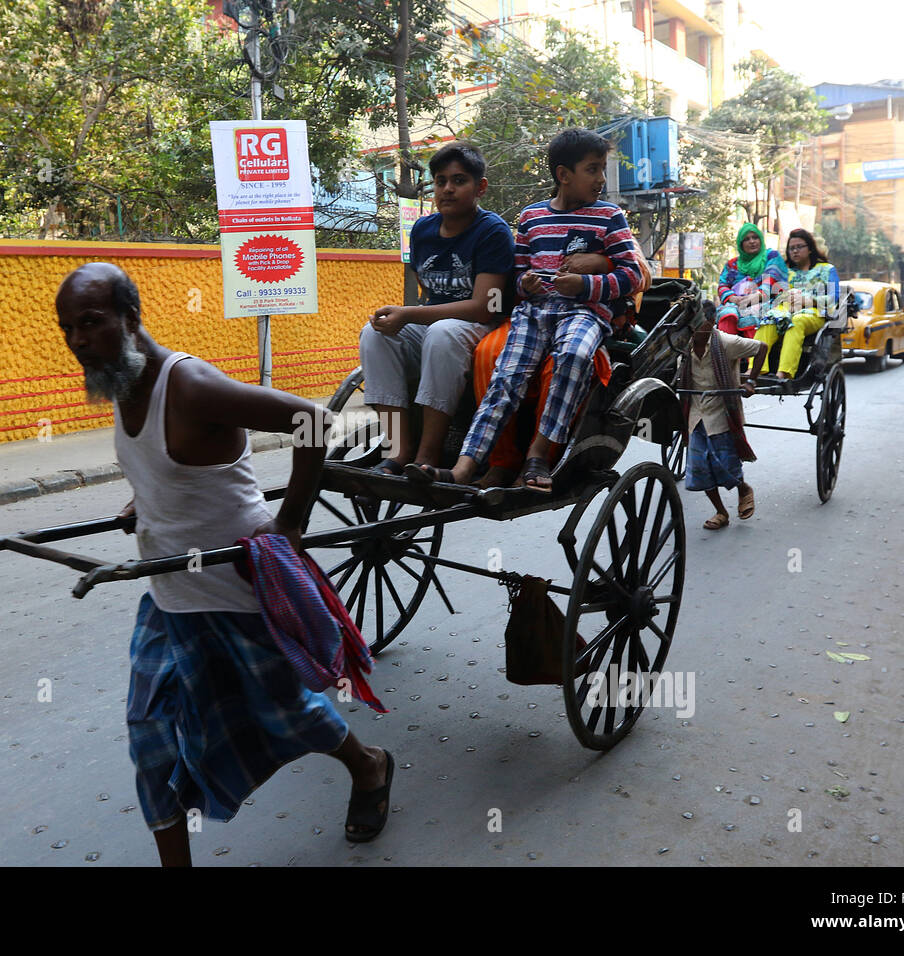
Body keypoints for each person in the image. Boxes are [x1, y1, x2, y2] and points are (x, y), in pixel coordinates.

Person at [55, 262, 394, 866]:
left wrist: (289, 524)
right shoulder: (123, 382)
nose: (78, 340)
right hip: (168, 599)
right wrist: (144, 497)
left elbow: (312, 421)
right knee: (151, 739)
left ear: (131, 320)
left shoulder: (188, 386)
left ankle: (369, 766)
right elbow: (170, 464)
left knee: (290, 716)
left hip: (236, 591)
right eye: (68, 328)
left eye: (91, 323)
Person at [408, 128, 644, 492]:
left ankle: (539, 452)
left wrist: (585, 286)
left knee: (574, 355)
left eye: (601, 169)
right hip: (534, 313)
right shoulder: (532, 218)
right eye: (593, 169)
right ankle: (464, 467)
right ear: (564, 175)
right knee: (506, 375)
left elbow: (632, 274)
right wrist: (527, 283)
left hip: (585, 313)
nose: (600, 179)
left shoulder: (609, 216)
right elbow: (517, 275)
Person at [360, 143, 513, 474]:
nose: (447, 189)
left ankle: (426, 456)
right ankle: (398, 451)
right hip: (439, 324)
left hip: (484, 326)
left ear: (480, 187)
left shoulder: (492, 231)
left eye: (459, 180)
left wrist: (409, 314)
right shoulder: (422, 230)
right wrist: (406, 317)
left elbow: (484, 308)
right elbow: (429, 294)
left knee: (442, 334)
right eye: (440, 180)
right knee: (374, 334)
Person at [468, 248, 651, 488]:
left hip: (586, 322)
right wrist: (526, 282)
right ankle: (500, 461)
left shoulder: (608, 224)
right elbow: (517, 272)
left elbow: (642, 274)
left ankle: (541, 460)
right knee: (487, 353)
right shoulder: (541, 219)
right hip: (533, 319)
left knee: (560, 365)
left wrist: (601, 261)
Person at [679, 317, 768, 530]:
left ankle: (743, 488)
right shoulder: (683, 346)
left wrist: (751, 381)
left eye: (699, 323)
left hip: (721, 412)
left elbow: (761, 348)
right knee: (700, 470)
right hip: (695, 414)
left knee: (725, 464)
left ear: (710, 323)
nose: (695, 327)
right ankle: (721, 511)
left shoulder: (726, 342)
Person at [764, 228, 839, 380]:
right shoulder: (786, 272)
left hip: (814, 314)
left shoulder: (826, 269)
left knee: (796, 322)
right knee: (768, 320)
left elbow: (833, 298)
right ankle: (757, 369)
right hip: (786, 311)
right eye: (791, 248)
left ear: (810, 248)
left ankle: (784, 372)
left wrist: (808, 301)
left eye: (799, 247)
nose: (795, 251)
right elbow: (774, 295)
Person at [714, 224, 788, 341]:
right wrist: (733, 298)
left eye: (755, 237)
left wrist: (754, 297)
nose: (752, 241)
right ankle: (727, 357)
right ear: (741, 244)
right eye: (747, 239)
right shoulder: (732, 264)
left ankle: (755, 358)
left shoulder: (771, 256)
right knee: (728, 315)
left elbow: (772, 279)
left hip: (765, 300)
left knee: (750, 314)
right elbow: (723, 285)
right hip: (737, 302)